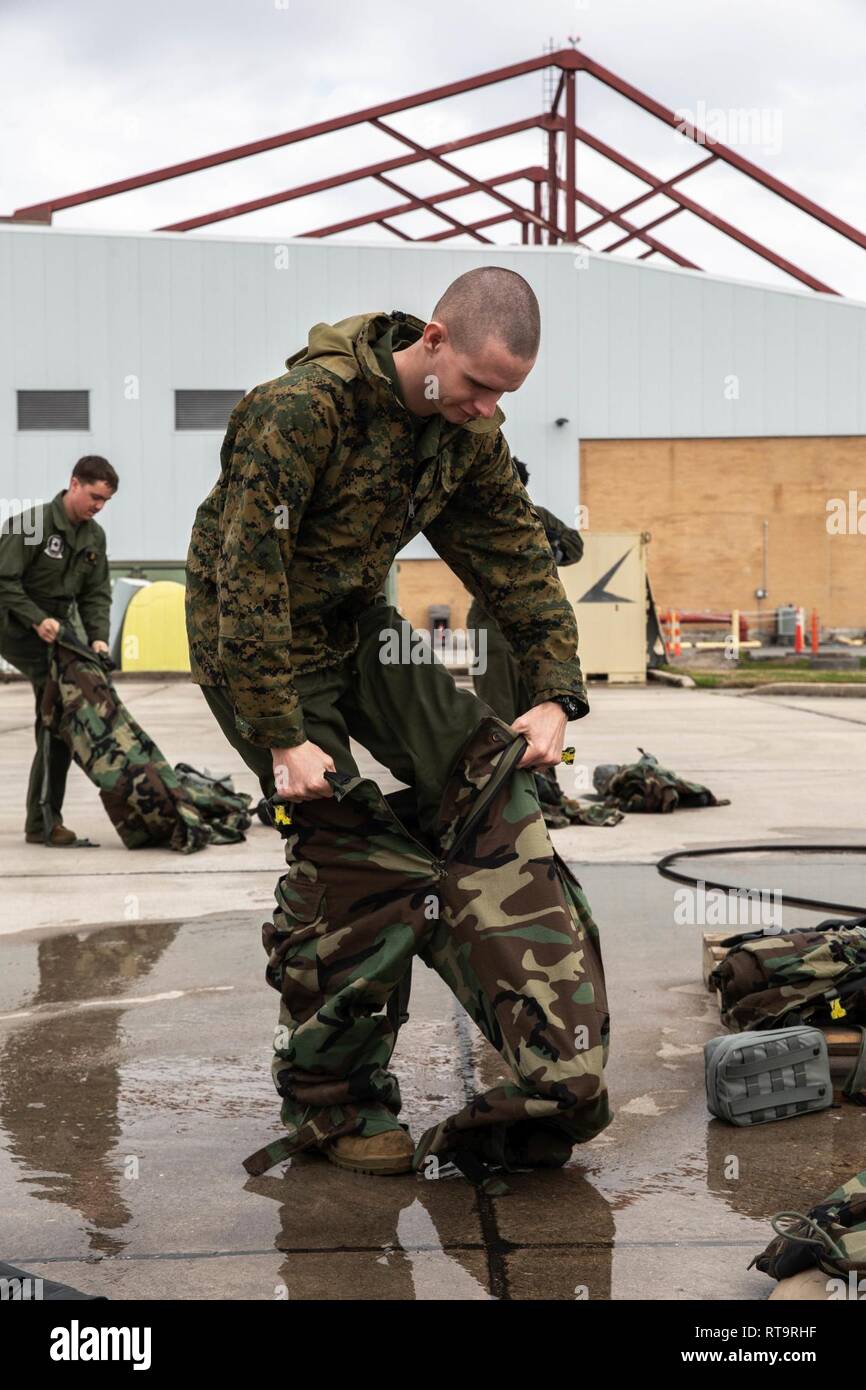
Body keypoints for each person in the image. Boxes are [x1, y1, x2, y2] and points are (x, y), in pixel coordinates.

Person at [186, 267, 610, 1179]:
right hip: (252, 640)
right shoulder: (301, 410)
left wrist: (552, 692)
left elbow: (515, 557)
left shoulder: (466, 437)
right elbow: (244, 574)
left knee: (487, 777)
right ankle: (336, 1104)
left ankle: (551, 1065)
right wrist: (281, 736)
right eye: (478, 385)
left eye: (506, 395)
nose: (487, 408)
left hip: (355, 628)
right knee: (349, 849)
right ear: (433, 339)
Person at [0, 456, 117, 845]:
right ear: (74, 484)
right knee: (57, 715)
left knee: (59, 719)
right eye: (94, 496)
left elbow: (96, 594)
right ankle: (43, 822)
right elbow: (4, 581)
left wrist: (99, 637)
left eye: (105, 501)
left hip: (55, 632)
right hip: (14, 629)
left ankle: (42, 821)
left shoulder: (93, 536)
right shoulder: (31, 526)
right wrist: (36, 618)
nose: (98, 506)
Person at [466, 457, 586, 827]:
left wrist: (548, 548)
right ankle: (503, 793)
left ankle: (548, 784)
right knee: (498, 713)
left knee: (547, 711)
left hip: (533, 631)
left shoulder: (536, 516)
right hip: (493, 631)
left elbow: (575, 545)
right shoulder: (477, 519)